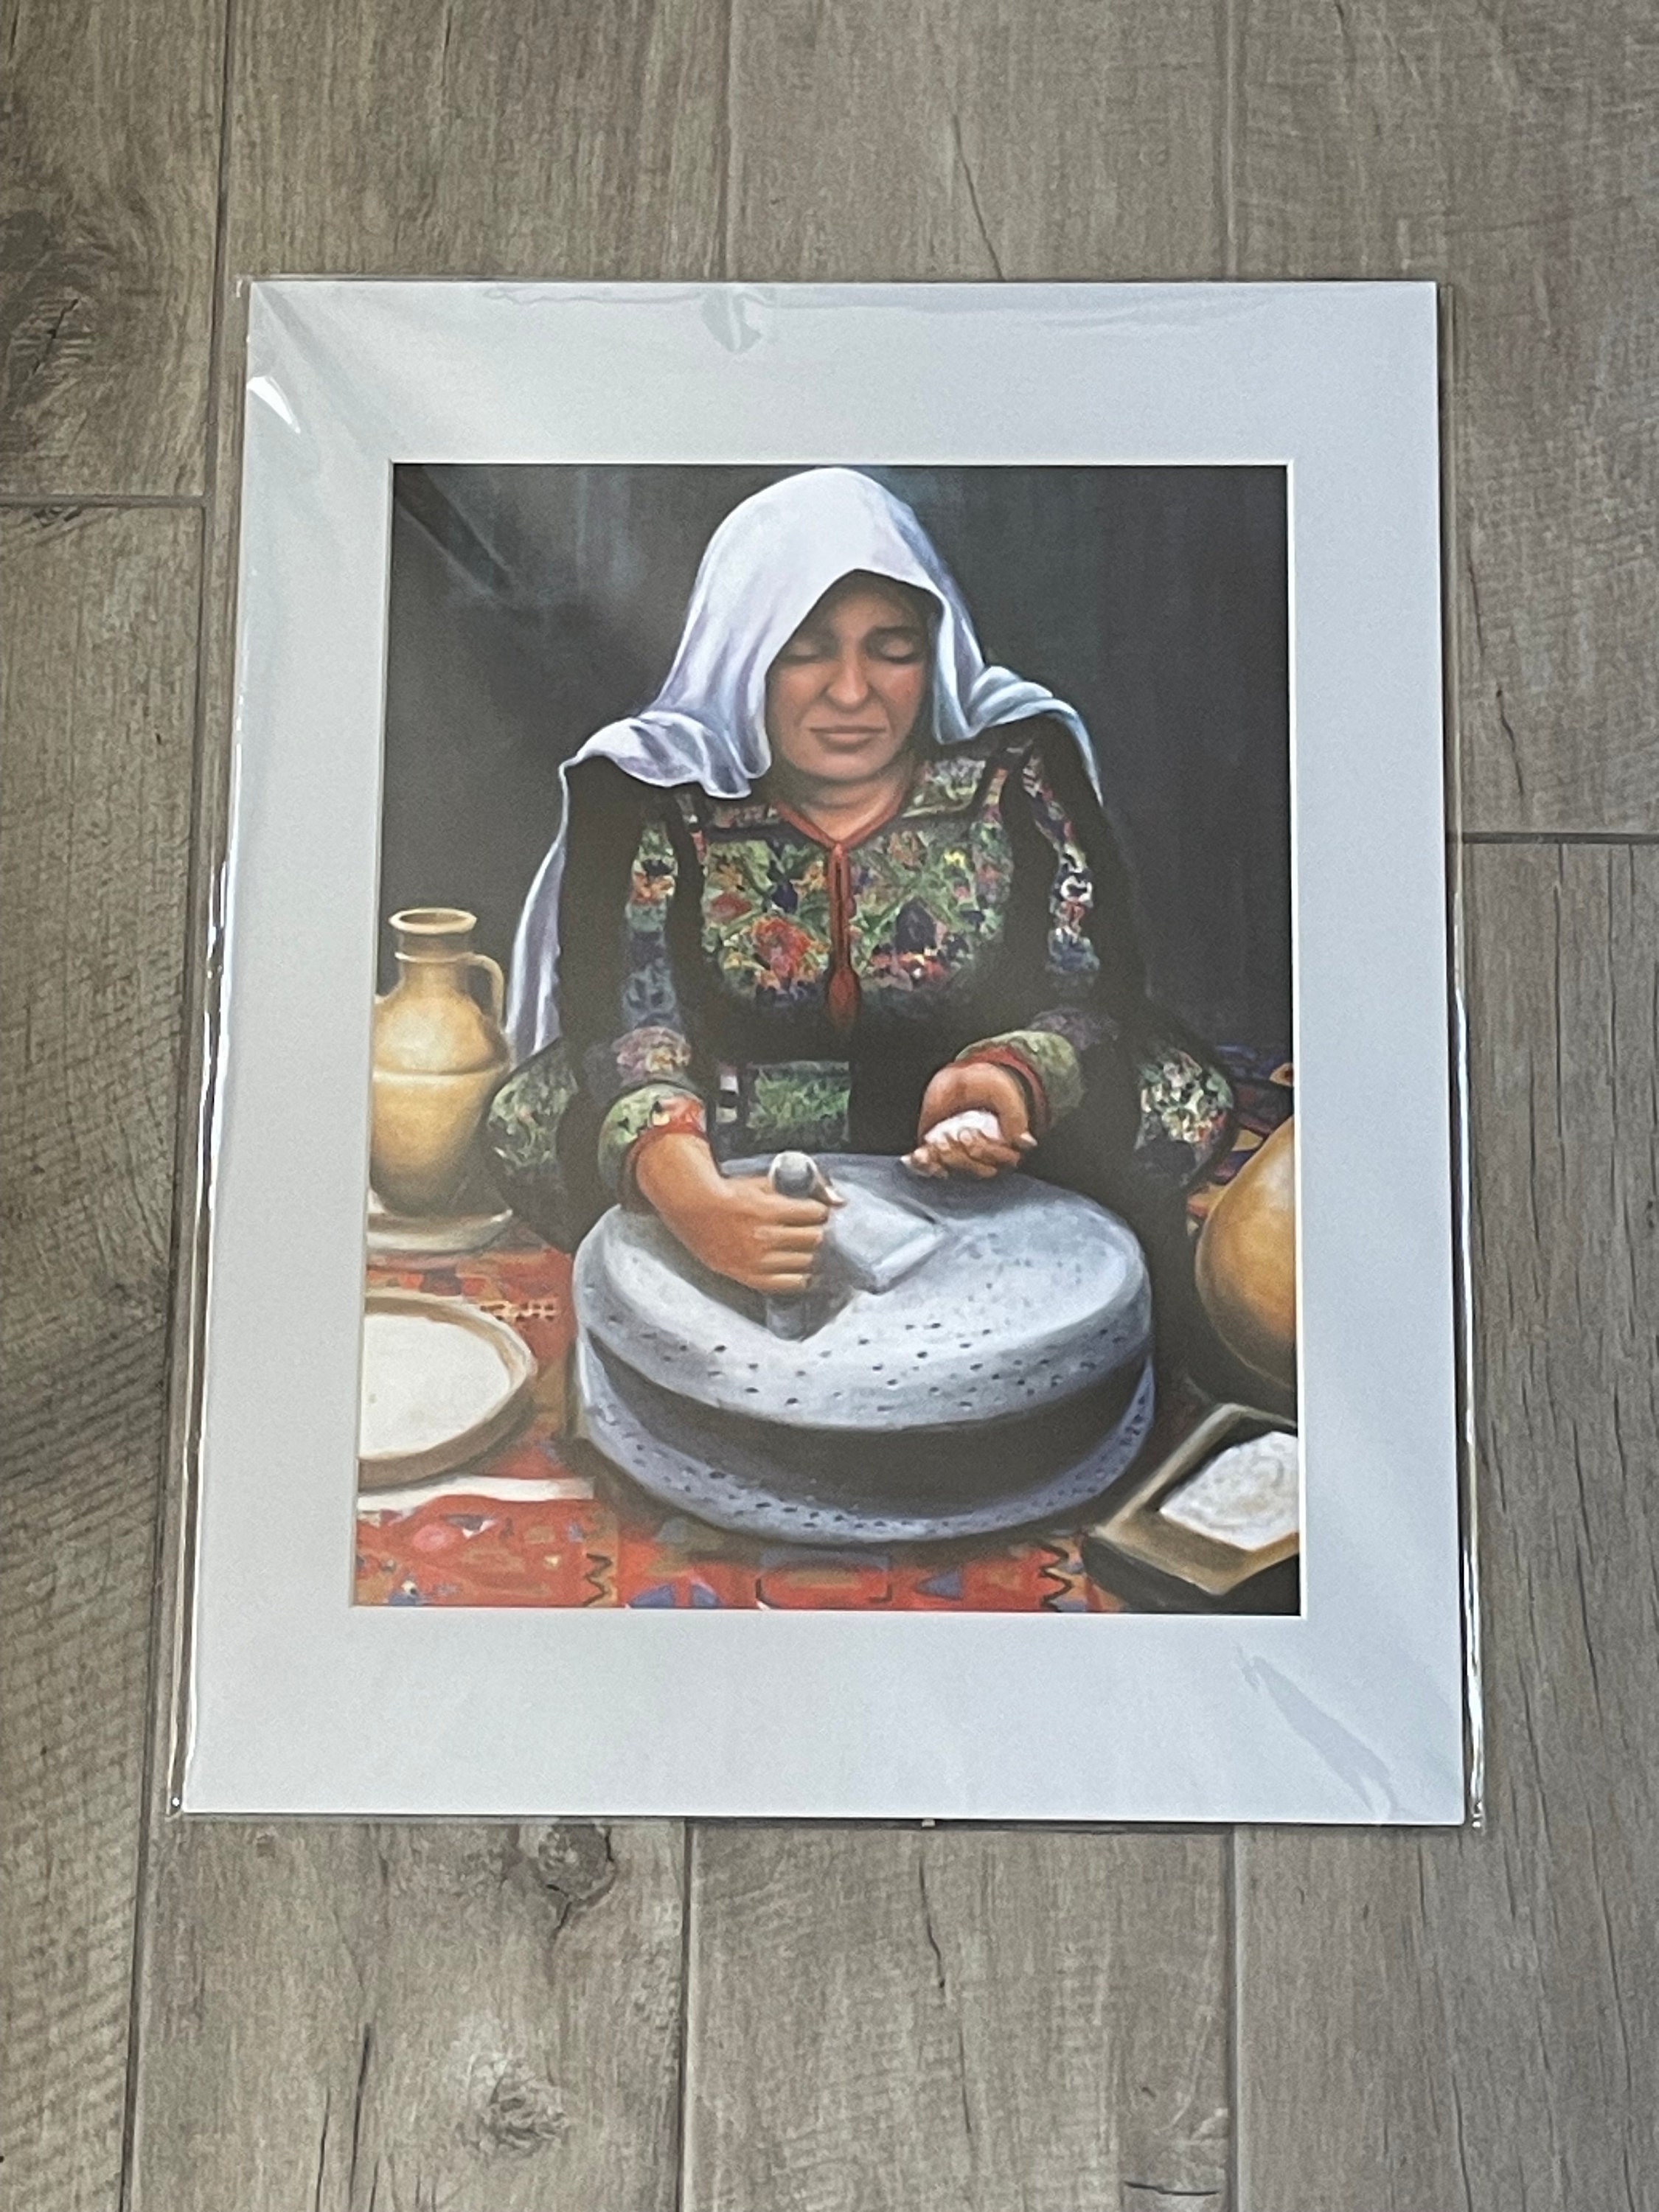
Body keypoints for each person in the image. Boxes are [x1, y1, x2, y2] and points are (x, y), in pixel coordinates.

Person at [484, 467, 1236, 1343]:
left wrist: (1004, 1080)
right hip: (733, 1115)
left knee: (1180, 1093)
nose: (852, 693)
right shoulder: (657, 789)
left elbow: (1088, 984)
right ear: (746, 650)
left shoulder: (1015, 767)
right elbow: (625, 1020)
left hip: (954, 1108)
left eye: (893, 646)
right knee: (527, 1121)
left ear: (933, 647)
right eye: (806, 649)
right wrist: (685, 1183)